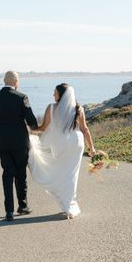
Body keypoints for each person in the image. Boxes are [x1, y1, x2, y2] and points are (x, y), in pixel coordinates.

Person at [29, 83, 96, 219]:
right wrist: (92, 148)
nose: (53, 95)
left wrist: (30, 130)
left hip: (60, 144)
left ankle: (66, 204)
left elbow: (42, 128)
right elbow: (85, 130)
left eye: (55, 92)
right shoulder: (78, 109)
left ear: (61, 94)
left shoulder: (51, 108)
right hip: (76, 143)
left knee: (59, 171)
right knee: (72, 174)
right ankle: (69, 204)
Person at [0, 71, 38, 221]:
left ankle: (8, 211)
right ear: (16, 81)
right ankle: (23, 206)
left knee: (7, 174)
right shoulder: (22, 97)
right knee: (20, 173)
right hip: (19, 141)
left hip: (2, 141)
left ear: (4, 81)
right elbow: (31, 120)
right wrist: (37, 129)